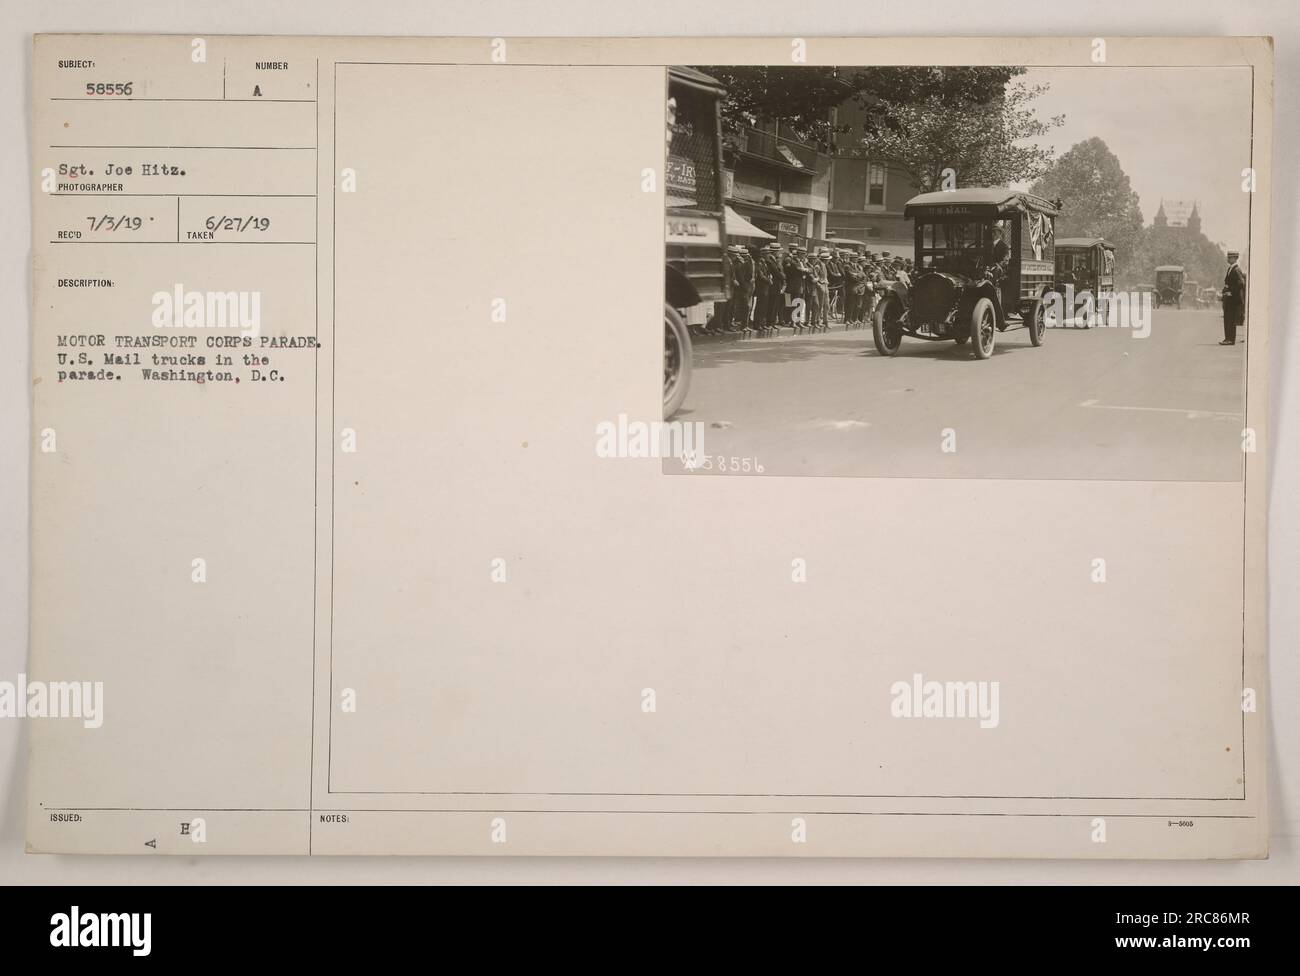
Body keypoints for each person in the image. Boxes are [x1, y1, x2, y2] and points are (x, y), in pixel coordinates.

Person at [727, 244, 754, 334]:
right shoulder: (738, 264)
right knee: (733, 306)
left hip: (740, 287)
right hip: (739, 287)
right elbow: (740, 277)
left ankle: (732, 323)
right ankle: (731, 323)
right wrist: (744, 286)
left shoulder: (742, 263)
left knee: (735, 306)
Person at [1221, 250, 1246, 345]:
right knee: (1227, 318)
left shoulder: (1236, 269)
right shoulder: (1230, 269)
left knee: (1231, 319)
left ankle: (1231, 339)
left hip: (1233, 299)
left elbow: (1241, 283)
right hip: (1229, 298)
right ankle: (1227, 338)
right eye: (1228, 257)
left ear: (1235, 258)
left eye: (1230, 257)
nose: (1228, 259)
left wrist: (1231, 292)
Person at [760, 242, 786, 336]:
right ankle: (769, 322)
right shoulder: (770, 260)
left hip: (778, 285)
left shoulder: (776, 259)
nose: (778, 253)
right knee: (771, 304)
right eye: (777, 251)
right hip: (773, 285)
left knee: (775, 304)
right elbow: (776, 271)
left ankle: (772, 322)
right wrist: (783, 276)